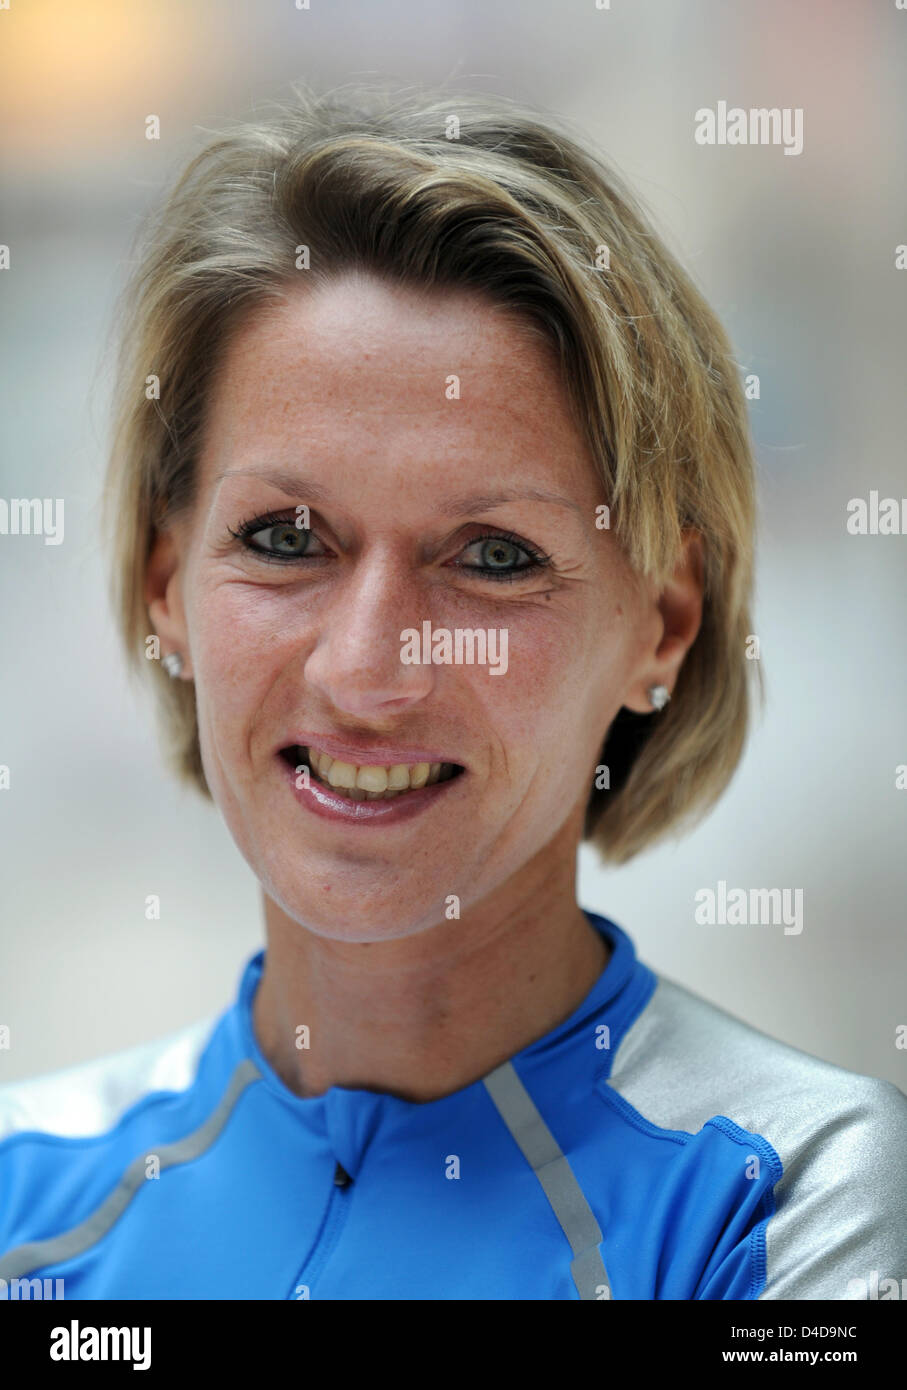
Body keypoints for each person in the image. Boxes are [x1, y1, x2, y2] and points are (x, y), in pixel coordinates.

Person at [1, 83, 903, 1301]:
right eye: (284, 537)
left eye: (491, 556)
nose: (365, 670)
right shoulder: (25, 1190)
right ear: (166, 583)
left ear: (665, 624)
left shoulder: (789, 1195)